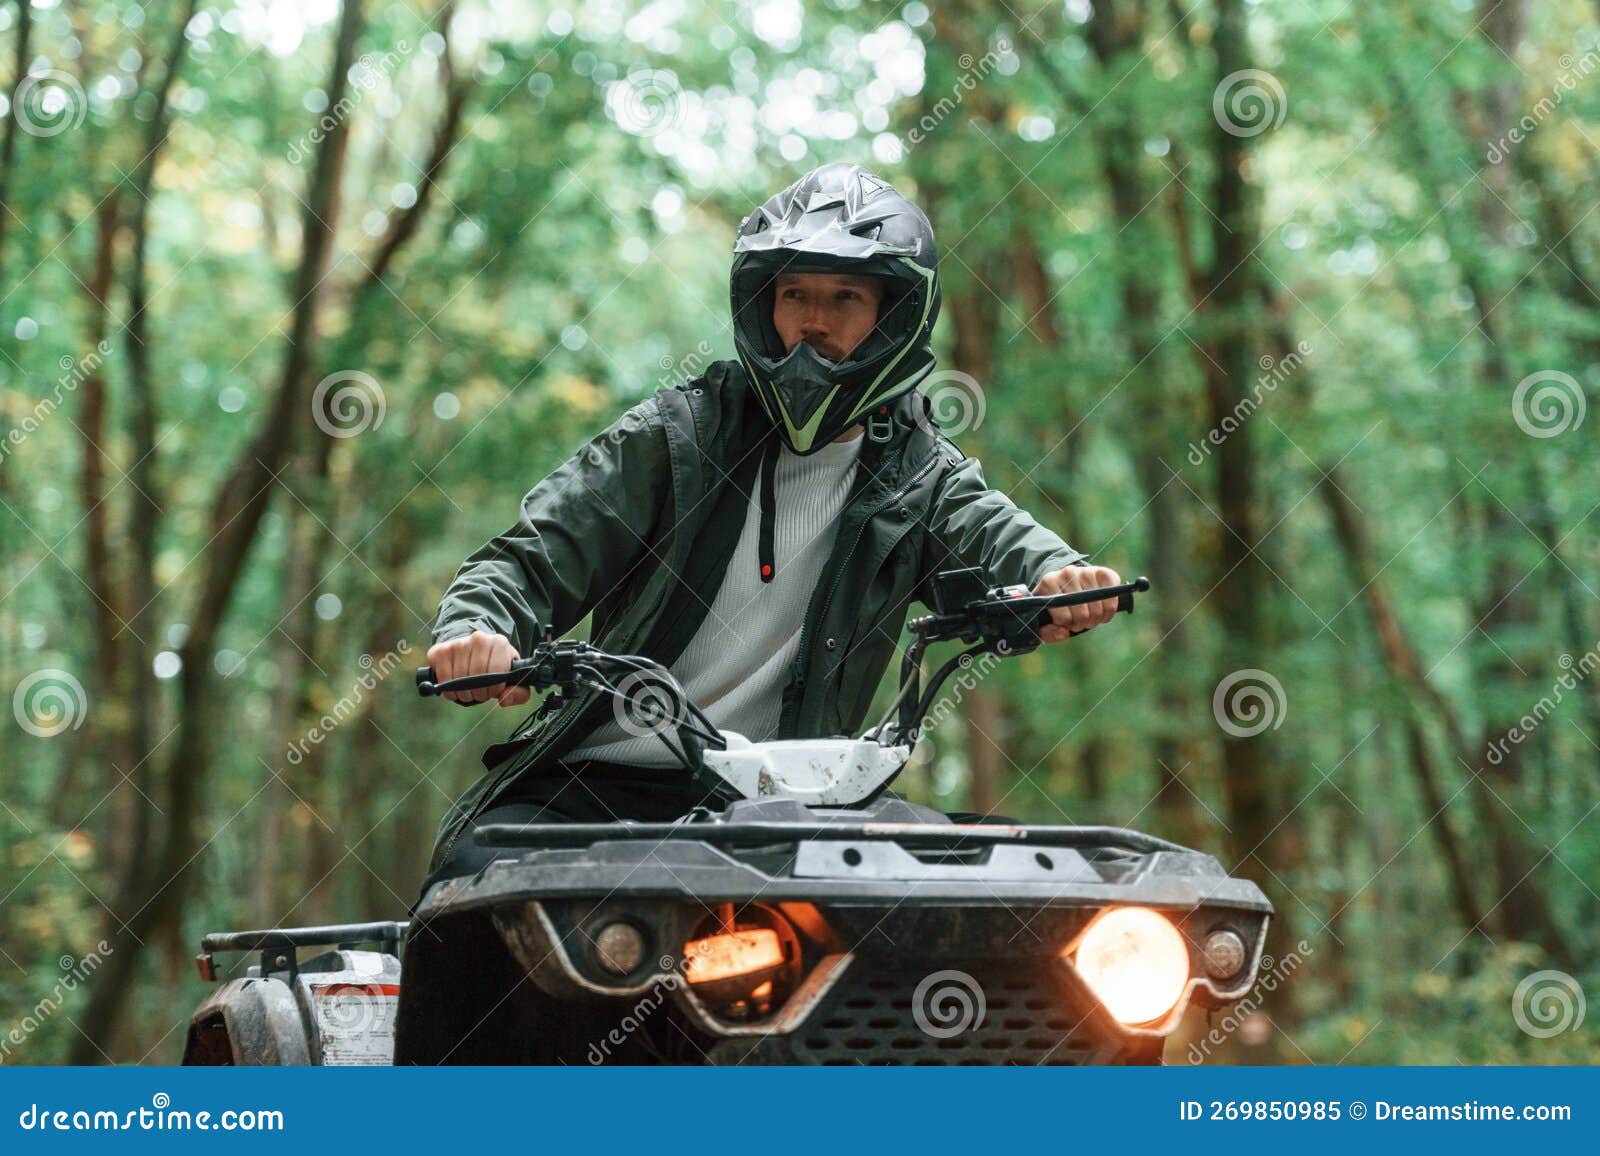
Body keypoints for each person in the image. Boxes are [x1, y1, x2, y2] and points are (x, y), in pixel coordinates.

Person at [393, 162, 1123, 1063]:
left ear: (895, 317)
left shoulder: (922, 475)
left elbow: (1007, 541)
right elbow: (525, 560)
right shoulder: (675, 437)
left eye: (844, 297)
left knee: (982, 904)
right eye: (794, 294)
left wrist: (1059, 579)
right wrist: (481, 634)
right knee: (482, 893)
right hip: (597, 791)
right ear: (760, 305)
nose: (812, 320)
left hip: (793, 809)